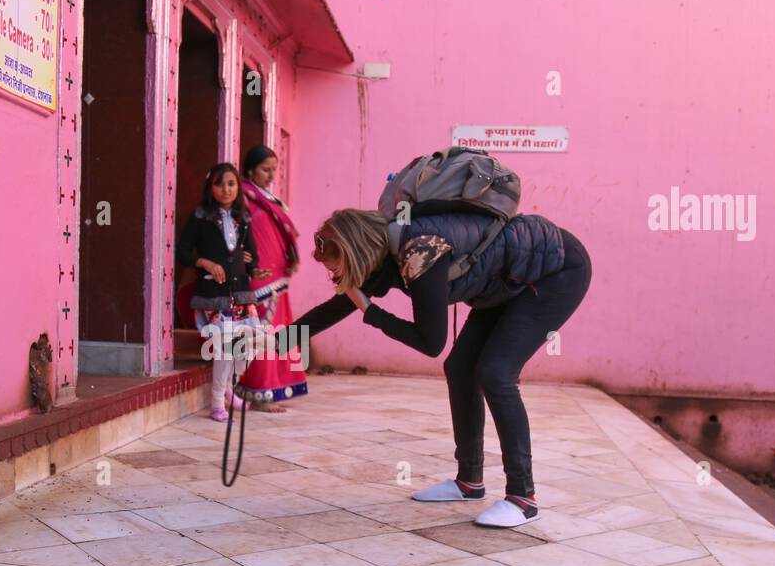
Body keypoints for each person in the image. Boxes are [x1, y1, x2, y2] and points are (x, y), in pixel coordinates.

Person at [287, 206, 592, 527]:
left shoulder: (420, 253)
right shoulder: (382, 256)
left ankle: (523, 497)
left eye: (332, 266)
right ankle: (470, 481)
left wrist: (369, 310)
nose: (332, 276)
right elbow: (333, 309)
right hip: (503, 282)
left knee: (496, 372)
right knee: (460, 367)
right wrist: (272, 345)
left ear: (353, 251)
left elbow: (430, 342)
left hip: (556, 270)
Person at [179, 163, 261, 422]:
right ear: (210, 187)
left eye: (231, 184)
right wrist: (205, 263)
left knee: (249, 346)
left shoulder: (243, 219)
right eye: (219, 184)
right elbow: (183, 253)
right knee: (226, 348)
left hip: (241, 293)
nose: (225, 190)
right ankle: (217, 403)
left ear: (238, 187)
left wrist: (252, 265)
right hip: (213, 294)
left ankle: (228, 387)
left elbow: (253, 257)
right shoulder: (200, 217)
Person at [235, 145, 307, 412]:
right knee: (263, 334)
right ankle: (259, 395)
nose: (271, 175)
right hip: (260, 280)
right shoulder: (243, 197)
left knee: (280, 332)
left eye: (274, 169)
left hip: (277, 277)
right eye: (265, 169)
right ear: (250, 169)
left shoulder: (263, 196)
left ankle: (275, 389)